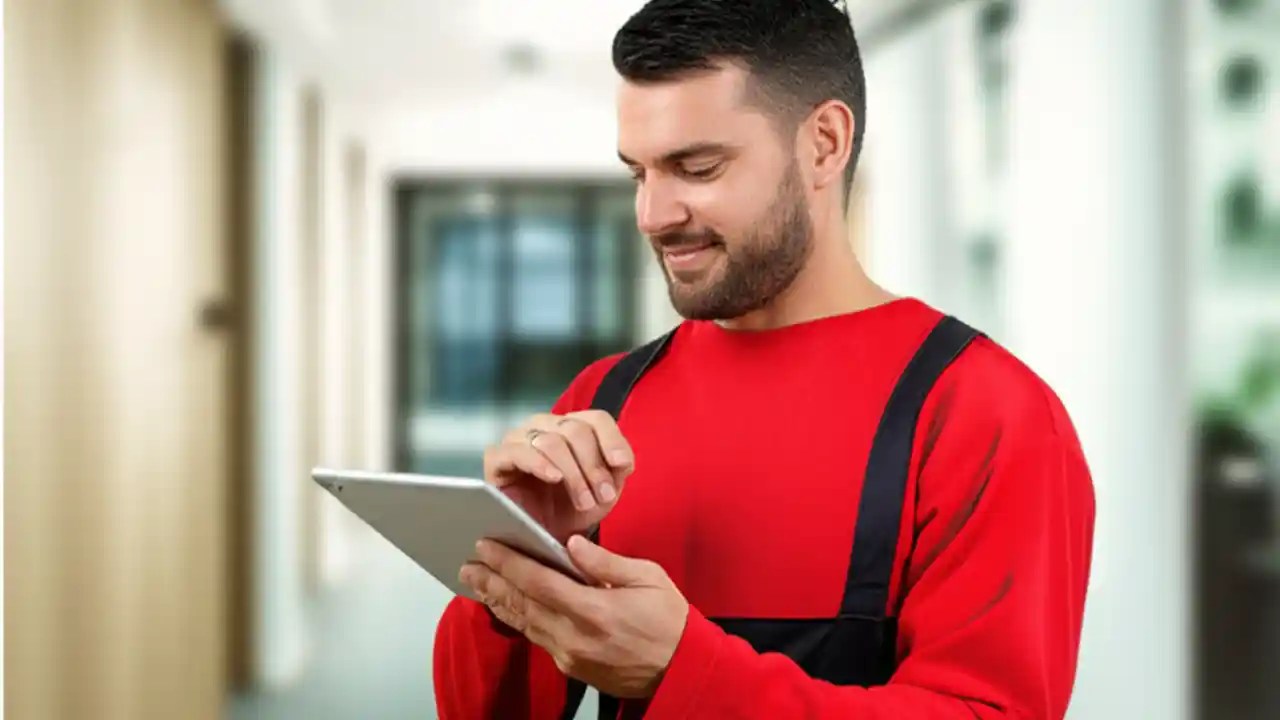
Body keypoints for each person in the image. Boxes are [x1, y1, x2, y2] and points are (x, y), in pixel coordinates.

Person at [433, 0, 1096, 717]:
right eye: (638, 174)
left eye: (697, 167)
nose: (652, 215)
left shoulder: (984, 415)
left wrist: (684, 673)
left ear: (824, 144)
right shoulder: (605, 400)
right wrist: (512, 562)